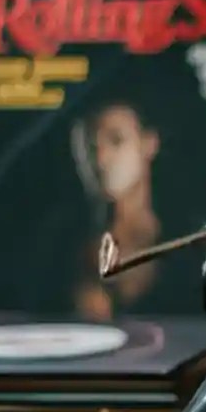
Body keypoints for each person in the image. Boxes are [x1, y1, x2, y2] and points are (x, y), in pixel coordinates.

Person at [71, 99, 164, 320]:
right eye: (93, 147)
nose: (102, 159)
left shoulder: (193, 237)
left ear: (149, 144)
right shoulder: (64, 243)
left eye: (116, 141)